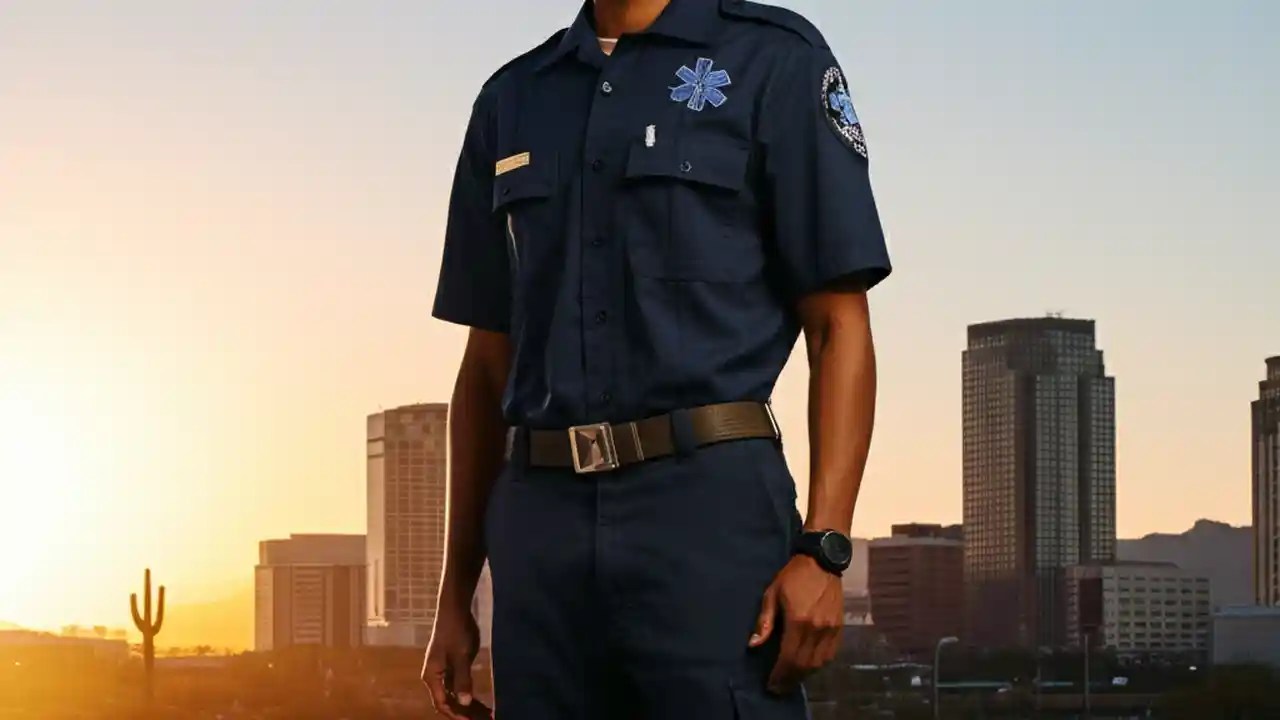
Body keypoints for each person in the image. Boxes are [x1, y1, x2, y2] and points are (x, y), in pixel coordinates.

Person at [423, 0, 891, 717]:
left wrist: (824, 546)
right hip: (540, 532)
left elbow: (837, 327)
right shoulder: (512, 99)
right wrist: (456, 592)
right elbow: (487, 364)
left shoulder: (774, 61)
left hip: (709, 517)